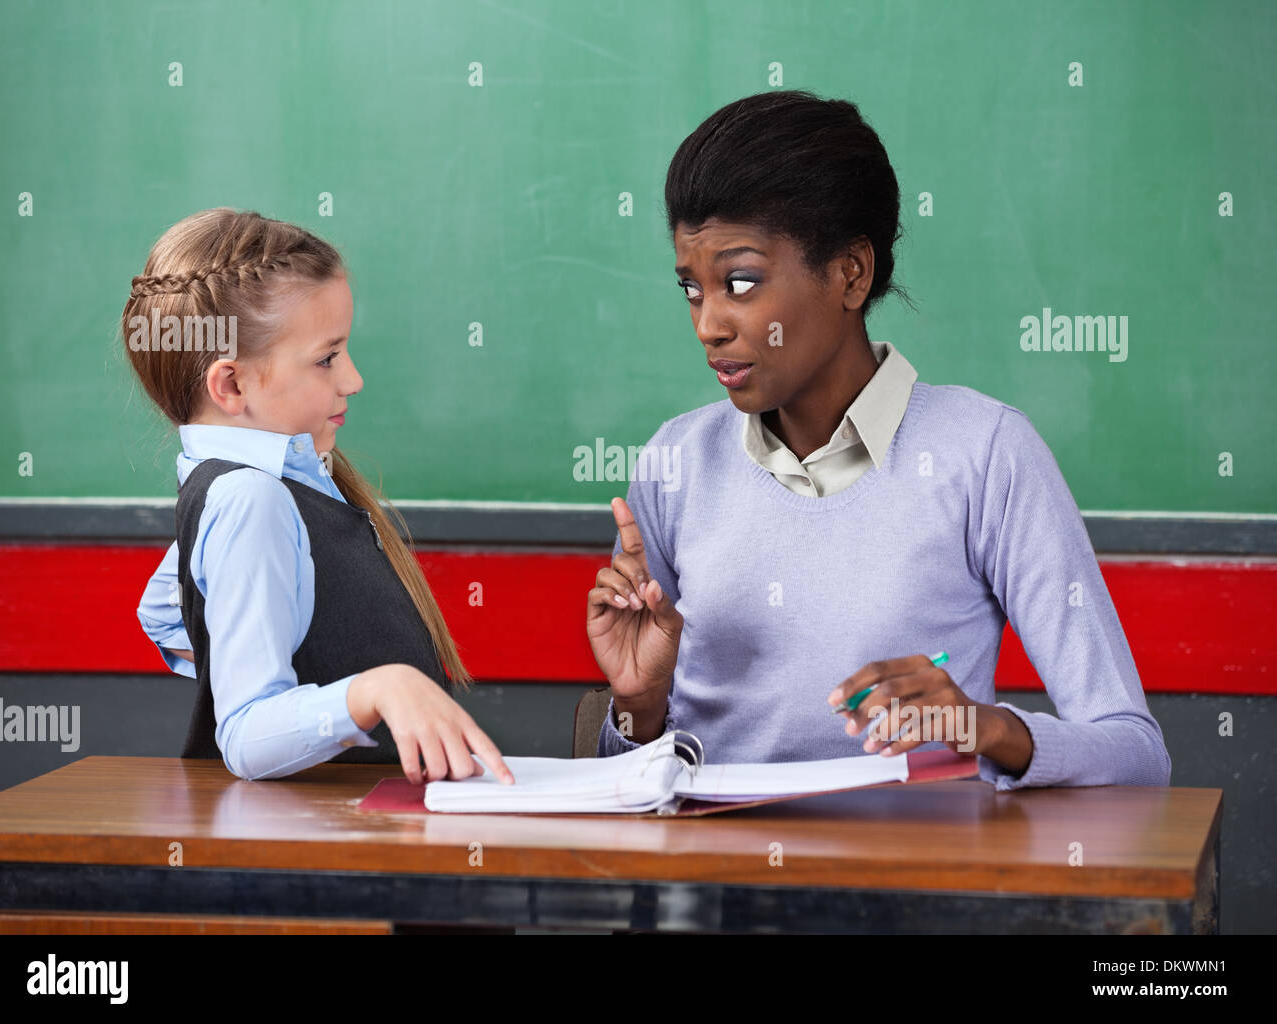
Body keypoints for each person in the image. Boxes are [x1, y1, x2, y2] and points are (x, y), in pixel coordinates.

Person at [585, 90, 1171, 789]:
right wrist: (638, 708)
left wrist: (983, 727)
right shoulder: (675, 465)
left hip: (910, 891)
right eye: (691, 288)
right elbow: (631, 793)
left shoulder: (985, 454)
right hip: (713, 893)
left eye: (741, 282)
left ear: (850, 274)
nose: (708, 324)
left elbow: (1137, 757)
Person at [126, 208, 513, 785]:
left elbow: (164, 611)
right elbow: (246, 735)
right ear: (230, 385)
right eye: (327, 358)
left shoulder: (254, 487)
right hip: (313, 861)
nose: (352, 379)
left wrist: (248, 647)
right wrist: (375, 687)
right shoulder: (250, 498)